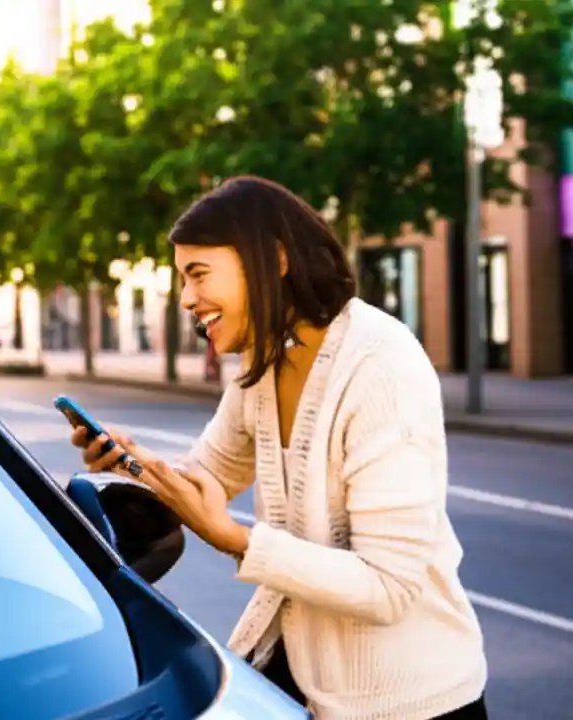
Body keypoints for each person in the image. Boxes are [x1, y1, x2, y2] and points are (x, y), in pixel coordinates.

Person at [72, 176, 489, 719]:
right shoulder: (263, 366)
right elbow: (208, 478)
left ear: (273, 260)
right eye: (182, 278)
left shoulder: (379, 366)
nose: (186, 298)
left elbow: (389, 587)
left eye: (199, 275)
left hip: (409, 704)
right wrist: (135, 466)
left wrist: (237, 540)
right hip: (301, 680)